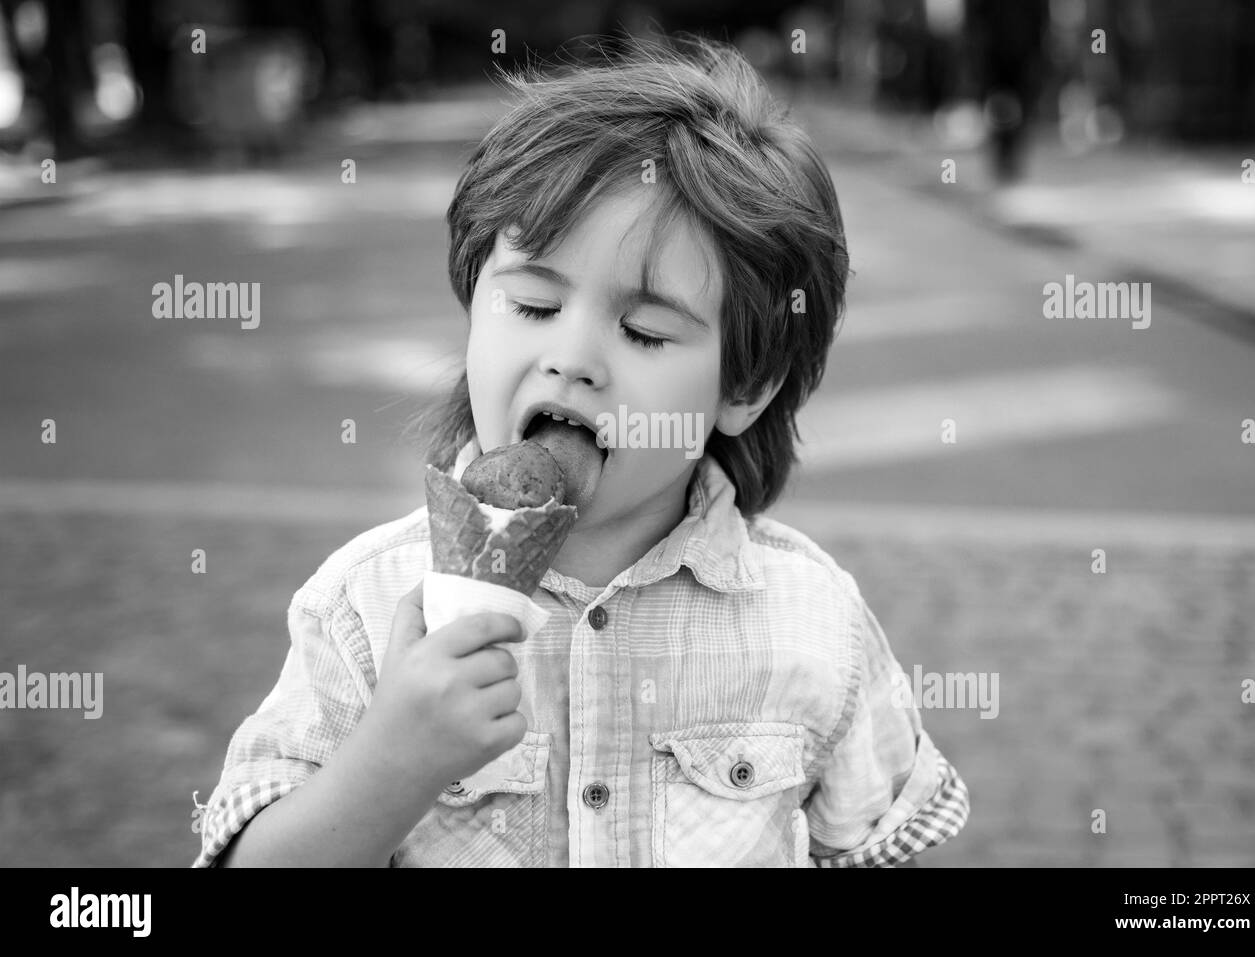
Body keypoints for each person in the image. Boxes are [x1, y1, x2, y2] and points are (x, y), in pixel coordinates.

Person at [192, 33, 970, 868]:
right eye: (532, 306)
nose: (571, 357)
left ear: (745, 388)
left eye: (641, 329)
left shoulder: (814, 621)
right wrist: (391, 763)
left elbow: (877, 850)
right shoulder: (366, 606)